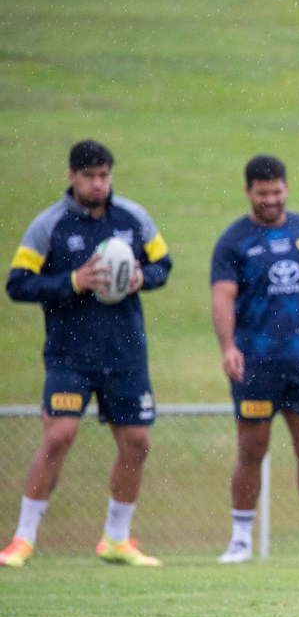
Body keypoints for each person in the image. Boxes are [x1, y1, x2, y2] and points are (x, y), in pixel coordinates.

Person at [1, 140, 172, 568]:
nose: (98, 184)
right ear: (72, 177)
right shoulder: (49, 226)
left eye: (104, 176)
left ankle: (116, 538)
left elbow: (163, 266)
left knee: (138, 441)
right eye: (90, 176)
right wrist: (73, 281)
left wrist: (142, 277)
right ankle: (23, 539)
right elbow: (18, 283)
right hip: (69, 355)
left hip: (125, 353)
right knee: (59, 435)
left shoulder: (133, 219)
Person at [211, 155, 299, 564]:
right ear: (248, 192)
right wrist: (227, 347)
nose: (270, 200)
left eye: (276, 192)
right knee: (251, 449)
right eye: (262, 193)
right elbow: (223, 298)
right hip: (255, 363)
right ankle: (240, 540)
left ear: (286, 188)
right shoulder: (233, 241)